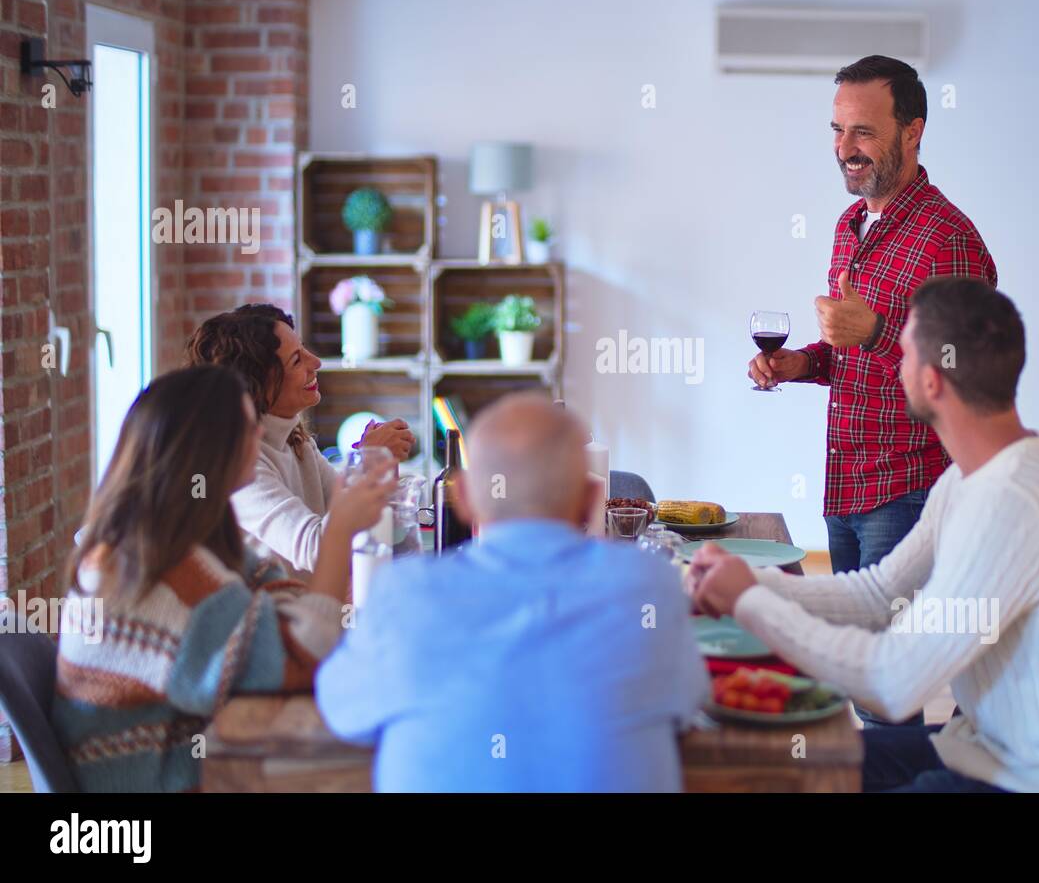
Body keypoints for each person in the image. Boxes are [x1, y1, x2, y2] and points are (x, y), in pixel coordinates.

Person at [703, 278, 1039, 792]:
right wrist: (748, 582)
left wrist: (749, 602)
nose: (892, 367)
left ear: (932, 381)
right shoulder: (975, 474)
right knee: (797, 764)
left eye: (902, 354)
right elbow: (880, 593)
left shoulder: (1011, 501)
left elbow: (893, 683)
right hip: (983, 748)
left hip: (1038, 781)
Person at [317, 393, 709, 791]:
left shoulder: (401, 595)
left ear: (465, 499)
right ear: (592, 500)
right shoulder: (650, 585)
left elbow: (339, 709)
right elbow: (688, 701)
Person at [52, 366, 394, 792]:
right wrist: (340, 530)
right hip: (153, 794)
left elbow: (277, 595)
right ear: (210, 446)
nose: (261, 439)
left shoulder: (186, 536)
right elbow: (300, 655)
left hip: (201, 759)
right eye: (251, 428)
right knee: (386, 756)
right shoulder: (145, 567)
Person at [748, 56, 998, 582]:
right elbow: (850, 351)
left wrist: (879, 334)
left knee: (891, 655)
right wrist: (802, 363)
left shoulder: (948, 240)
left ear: (913, 132)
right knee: (853, 652)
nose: (843, 149)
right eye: (838, 130)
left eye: (862, 132)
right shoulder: (851, 225)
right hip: (844, 485)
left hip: (909, 495)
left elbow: (966, 378)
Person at [184, 303, 415, 572]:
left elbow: (354, 522)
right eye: (296, 359)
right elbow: (317, 549)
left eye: (304, 348)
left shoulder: (296, 440)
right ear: (258, 384)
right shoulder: (239, 465)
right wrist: (366, 465)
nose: (315, 362)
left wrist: (376, 466)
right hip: (278, 612)